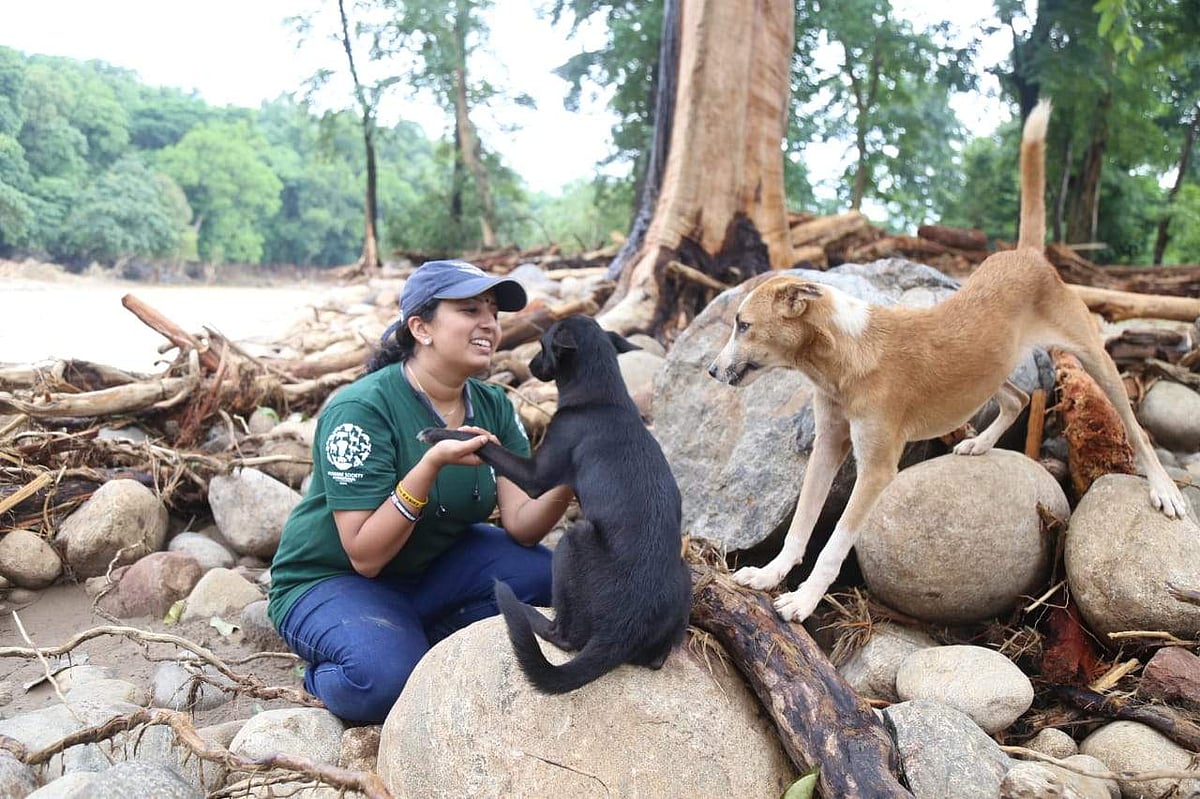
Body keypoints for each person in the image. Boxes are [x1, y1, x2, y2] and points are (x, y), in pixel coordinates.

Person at [267, 259, 573, 723]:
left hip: (431, 569)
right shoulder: (360, 409)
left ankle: (415, 642)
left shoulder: (493, 404)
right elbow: (365, 555)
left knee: (551, 578)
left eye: (493, 312)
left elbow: (522, 525)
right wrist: (429, 466)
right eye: (470, 310)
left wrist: (572, 470)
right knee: (384, 682)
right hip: (333, 578)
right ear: (421, 328)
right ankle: (329, 672)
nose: (489, 323)